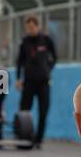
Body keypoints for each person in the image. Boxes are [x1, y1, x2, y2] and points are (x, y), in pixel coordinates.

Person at [15, 15, 56, 147]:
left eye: (32, 27)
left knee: (43, 110)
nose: (30, 30)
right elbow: (19, 61)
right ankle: (24, 137)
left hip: (43, 81)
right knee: (24, 110)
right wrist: (18, 79)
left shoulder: (46, 39)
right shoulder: (24, 41)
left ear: (37, 26)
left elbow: (54, 57)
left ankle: (38, 140)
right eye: (28, 27)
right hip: (28, 81)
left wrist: (47, 69)